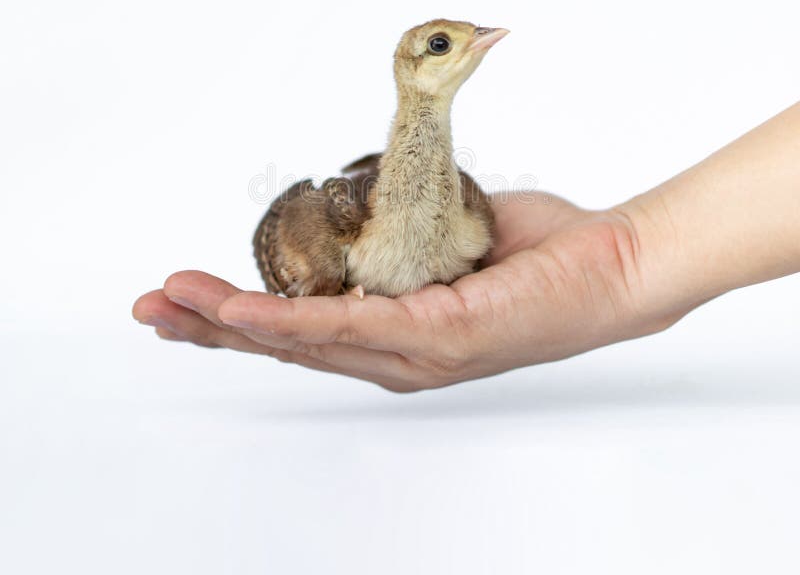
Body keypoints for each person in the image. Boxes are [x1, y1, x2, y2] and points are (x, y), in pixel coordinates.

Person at [132, 102, 800, 392]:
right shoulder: (321, 233)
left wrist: (625, 263)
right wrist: (628, 257)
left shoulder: (469, 214)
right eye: (447, 46)